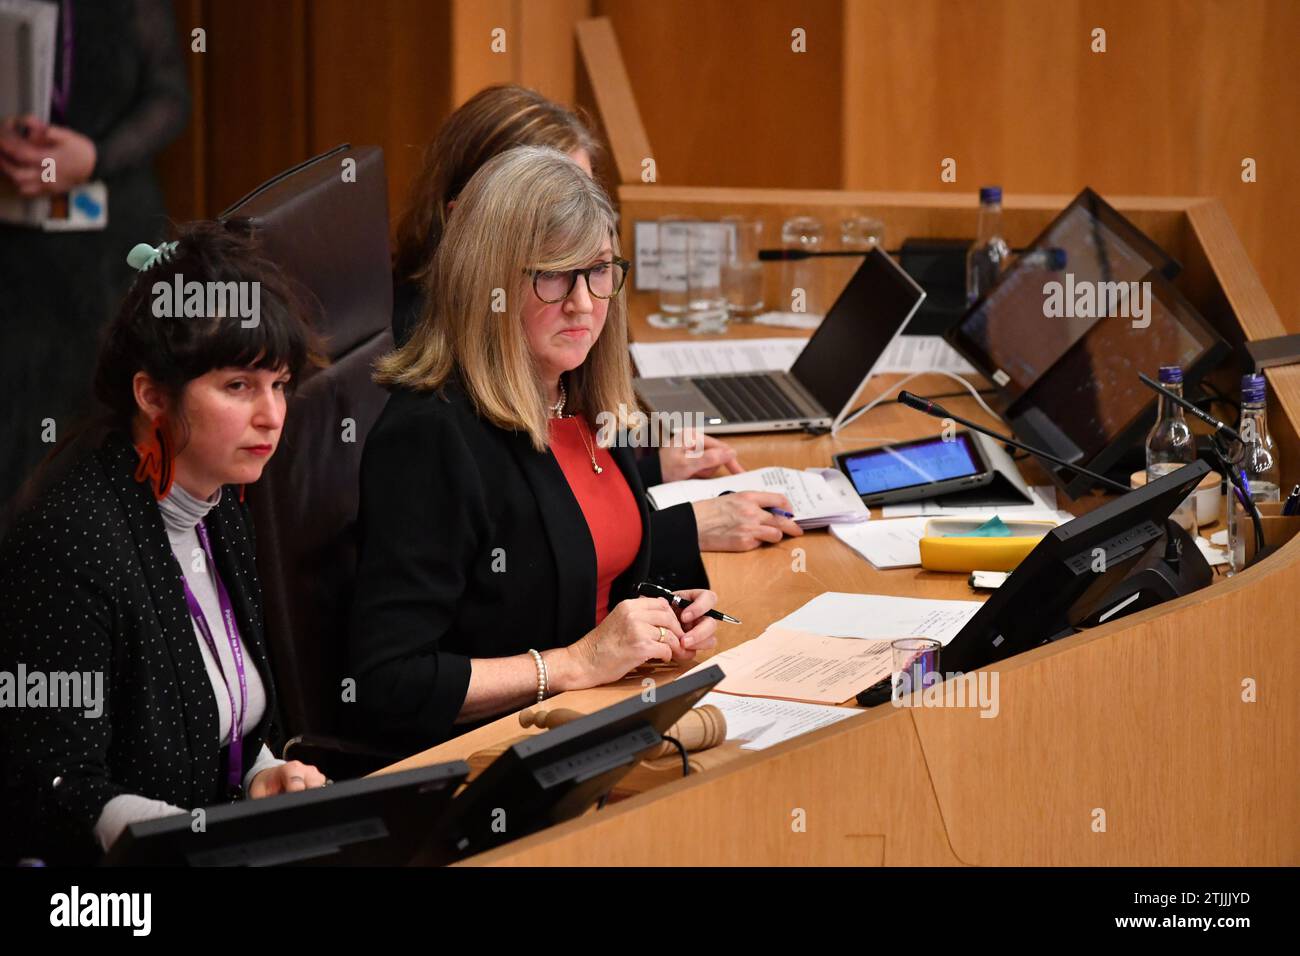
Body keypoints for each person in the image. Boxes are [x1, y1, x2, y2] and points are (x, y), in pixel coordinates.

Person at [351, 146, 728, 752]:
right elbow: (387, 683)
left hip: (604, 718)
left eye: (600, 270)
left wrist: (659, 614)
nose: (583, 302)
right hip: (498, 760)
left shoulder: (577, 393)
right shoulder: (430, 436)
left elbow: (580, 578)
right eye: (553, 274)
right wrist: (573, 663)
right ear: (489, 283)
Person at [0, 222, 327, 865]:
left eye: (280, 384)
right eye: (238, 386)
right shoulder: (73, 544)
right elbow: (58, 789)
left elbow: (223, 719)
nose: (271, 415)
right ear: (151, 395)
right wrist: (211, 840)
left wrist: (262, 773)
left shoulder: (219, 494)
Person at [390, 83, 803, 562]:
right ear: (479, 223)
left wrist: (649, 475)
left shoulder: (567, 364)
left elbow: (553, 506)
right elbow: (521, 549)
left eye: (597, 263)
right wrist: (677, 530)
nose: (583, 302)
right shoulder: (441, 409)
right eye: (552, 262)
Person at [0, 0, 191, 538]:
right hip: (17, 253)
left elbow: (171, 99)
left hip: (113, 242)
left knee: (110, 415)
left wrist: (94, 158)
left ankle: (107, 572)